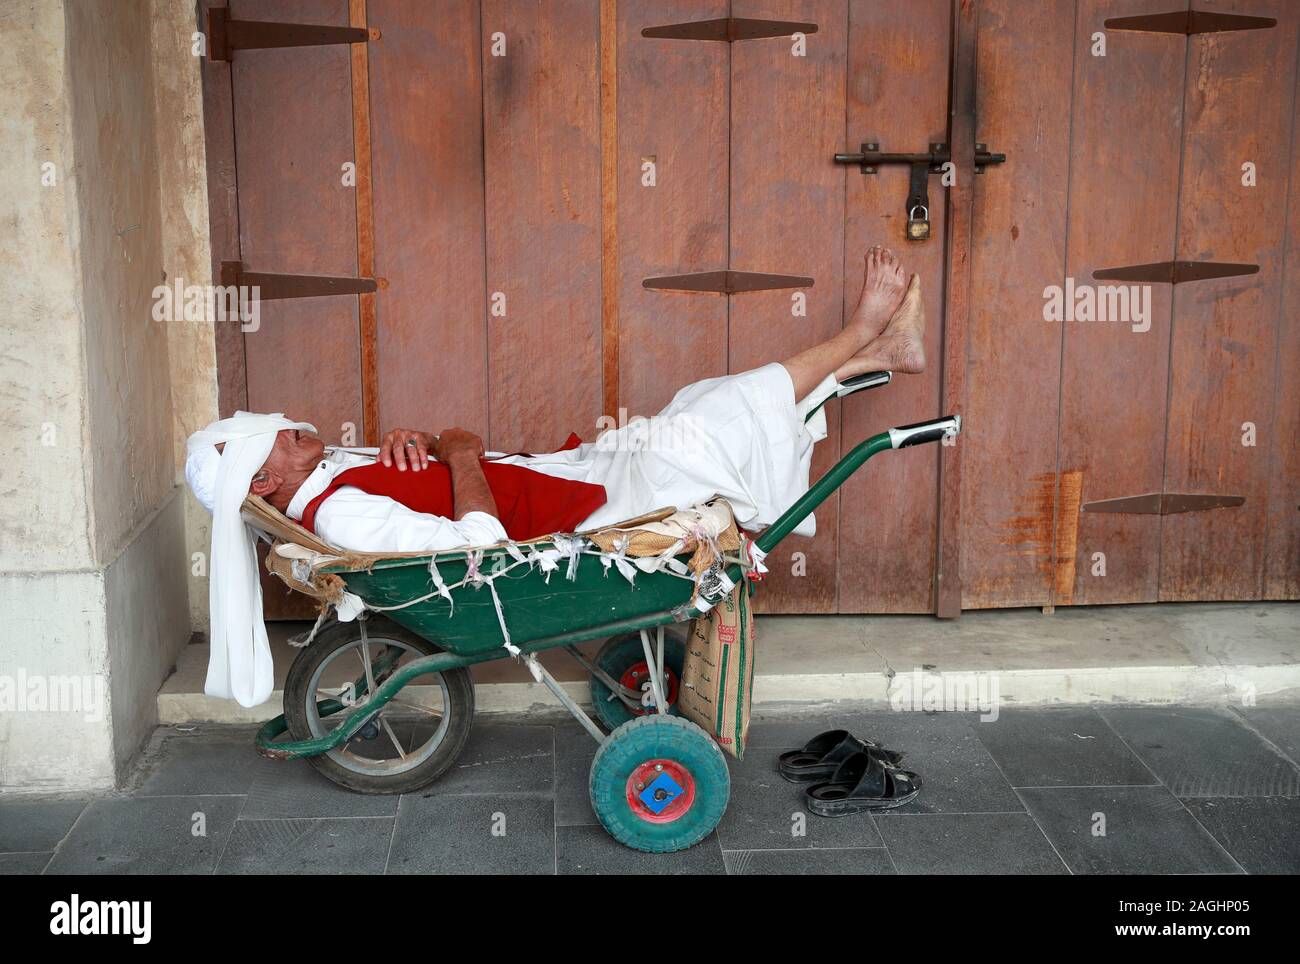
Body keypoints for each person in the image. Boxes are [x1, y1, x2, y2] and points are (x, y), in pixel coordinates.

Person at [186, 246, 925, 554]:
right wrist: (462, 452)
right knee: (717, 418)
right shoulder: (338, 510)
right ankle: (865, 334)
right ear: (261, 482)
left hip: (572, 480)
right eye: (274, 435)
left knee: (693, 407)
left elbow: (439, 470)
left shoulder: (330, 480)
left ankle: (880, 353)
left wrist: (432, 444)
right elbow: (481, 548)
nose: (290, 424)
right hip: (589, 518)